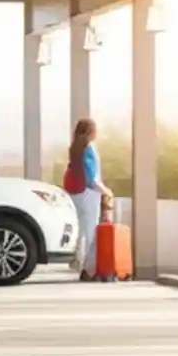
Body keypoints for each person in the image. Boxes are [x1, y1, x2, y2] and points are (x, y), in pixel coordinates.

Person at [64, 118, 113, 281]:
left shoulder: (74, 148)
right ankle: (89, 270)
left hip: (75, 193)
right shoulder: (89, 148)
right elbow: (92, 178)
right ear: (91, 132)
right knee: (91, 232)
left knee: (80, 230)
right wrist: (106, 191)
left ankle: (78, 263)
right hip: (88, 194)